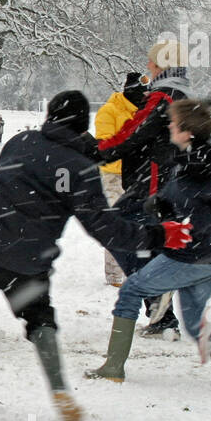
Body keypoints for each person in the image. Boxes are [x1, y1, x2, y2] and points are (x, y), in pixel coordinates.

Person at [0, 91, 193, 421]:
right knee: (40, 320)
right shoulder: (81, 169)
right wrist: (160, 235)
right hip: (28, 263)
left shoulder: (20, 142)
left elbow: (7, 177)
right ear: (82, 123)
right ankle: (60, 392)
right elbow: (106, 228)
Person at [86, 100, 211, 387]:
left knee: (131, 290)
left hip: (190, 258)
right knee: (196, 324)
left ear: (187, 132)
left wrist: (162, 211)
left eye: (174, 125)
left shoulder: (193, 174)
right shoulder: (208, 149)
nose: (169, 128)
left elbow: (194, 219)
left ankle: (113, 366)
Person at [95, 40, 194, 336]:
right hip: (173, 182)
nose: (148, 68)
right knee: (149, 242)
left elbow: (134, 133)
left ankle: (155, 293)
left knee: (117, 231)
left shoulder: (163, 96)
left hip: (151, 182)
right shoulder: (186, 96)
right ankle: (161, 316)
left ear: (163, 65)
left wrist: (95, 150)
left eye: (152, 63)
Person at [94, 72, 146, 285]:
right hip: (114, 175)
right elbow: (105, 146)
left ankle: (135, 268)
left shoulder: (145, 111)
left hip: (138, 176)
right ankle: (115, 273)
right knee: (117, 223)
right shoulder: (109, 111)